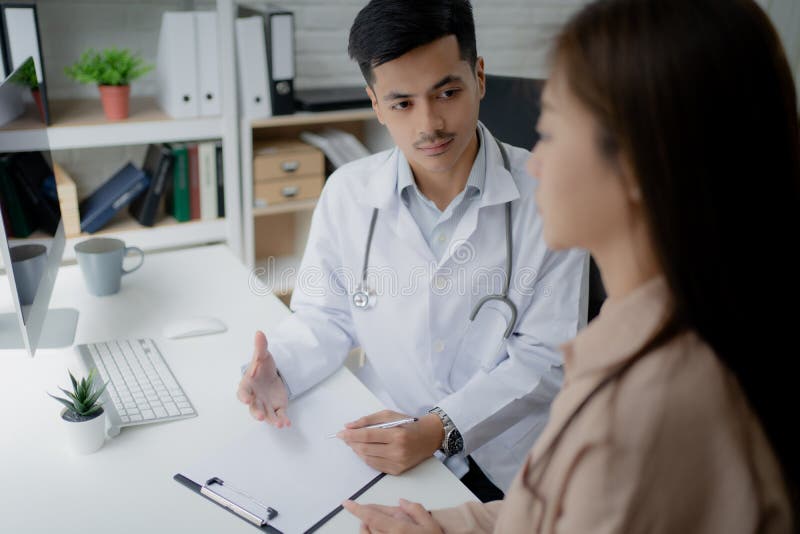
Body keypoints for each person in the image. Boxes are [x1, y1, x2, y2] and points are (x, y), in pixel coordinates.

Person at [343, 0, 800, 531]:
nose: (535, 161)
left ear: (638, 164)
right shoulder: (649, 342)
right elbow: (555, 512)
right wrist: (444, 527)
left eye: (552, 132)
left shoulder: (643, 409)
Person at [236, 0, 585, 502]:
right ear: (375, 104)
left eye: (447, 92)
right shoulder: (348, 193)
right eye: (402, 103)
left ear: (479, 77)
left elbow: (547, 360)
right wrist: (279, 368)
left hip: (507, 460)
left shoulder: (550, 192)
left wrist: (438, 429)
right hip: (384, 441)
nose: (430, 124)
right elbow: (327, 316)